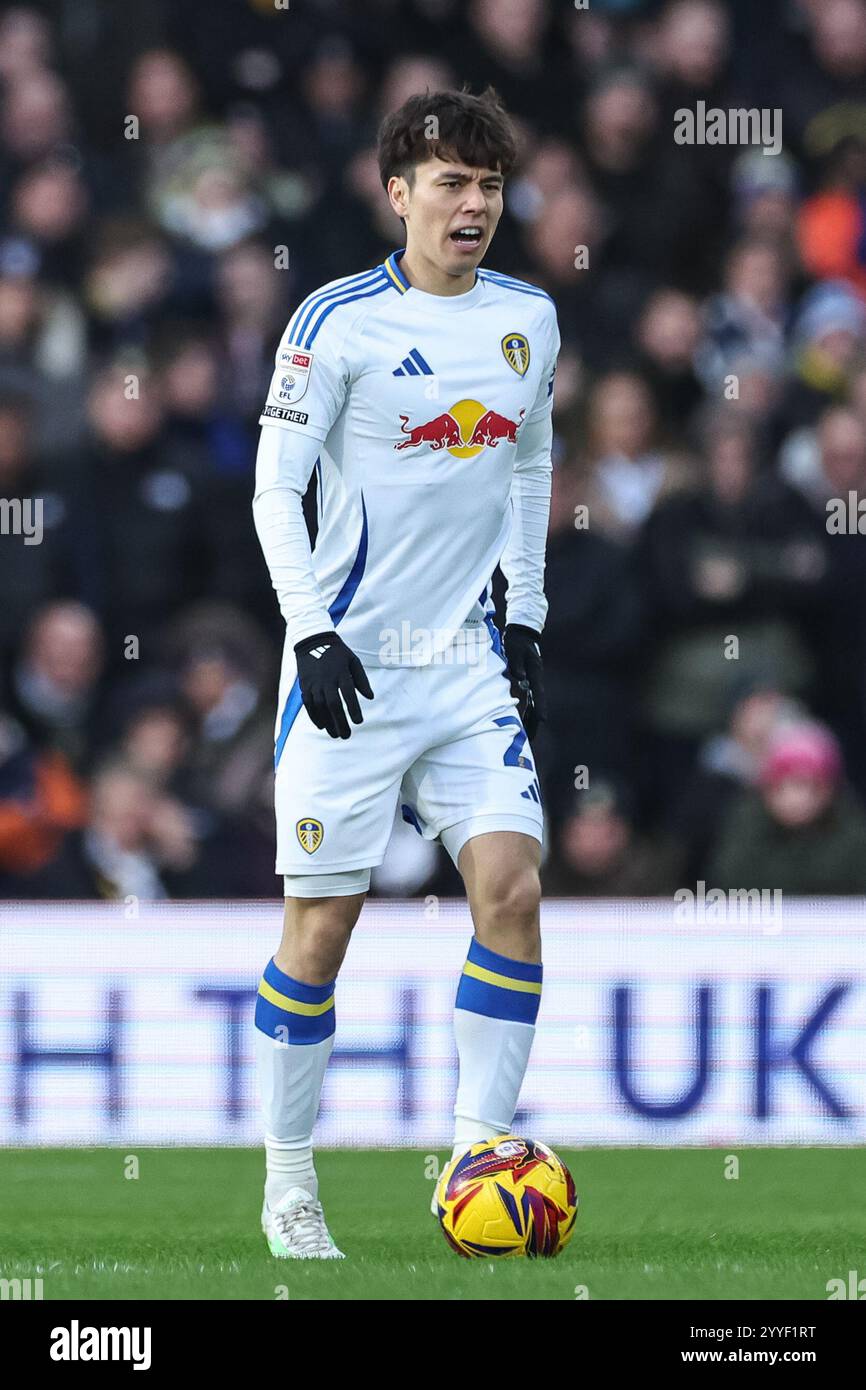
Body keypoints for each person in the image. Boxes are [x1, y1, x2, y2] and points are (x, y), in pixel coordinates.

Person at [251, 87, 559, 1258]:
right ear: (398, 195)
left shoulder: (529, 317)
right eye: (449, 184)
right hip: (350, 667)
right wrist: (311, 628)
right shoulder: (333, 323)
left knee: (513, 890)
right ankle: (289, 1183)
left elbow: (530, 463)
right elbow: (276, 487)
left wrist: (523, 616)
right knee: (321, 925)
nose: (472, 205)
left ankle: (479, 1161)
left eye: (487, 186)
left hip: (467, 666)